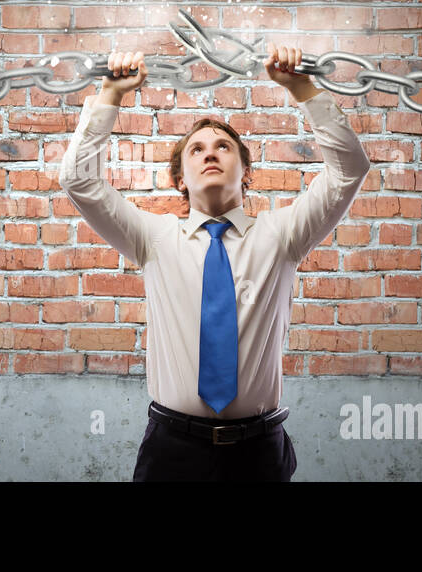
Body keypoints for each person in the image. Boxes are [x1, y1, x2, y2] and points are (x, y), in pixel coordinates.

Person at [58, 44, 372, 481]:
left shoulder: (282, 236)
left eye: (223, 147)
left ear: (245, 170)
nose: (209, 153)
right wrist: (110, 93)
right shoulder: (153, 238)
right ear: (179, 178)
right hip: (172, 450)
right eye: (196, 150)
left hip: (258, 452)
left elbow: (349, 170)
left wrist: (302, 87)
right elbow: (78, 180)